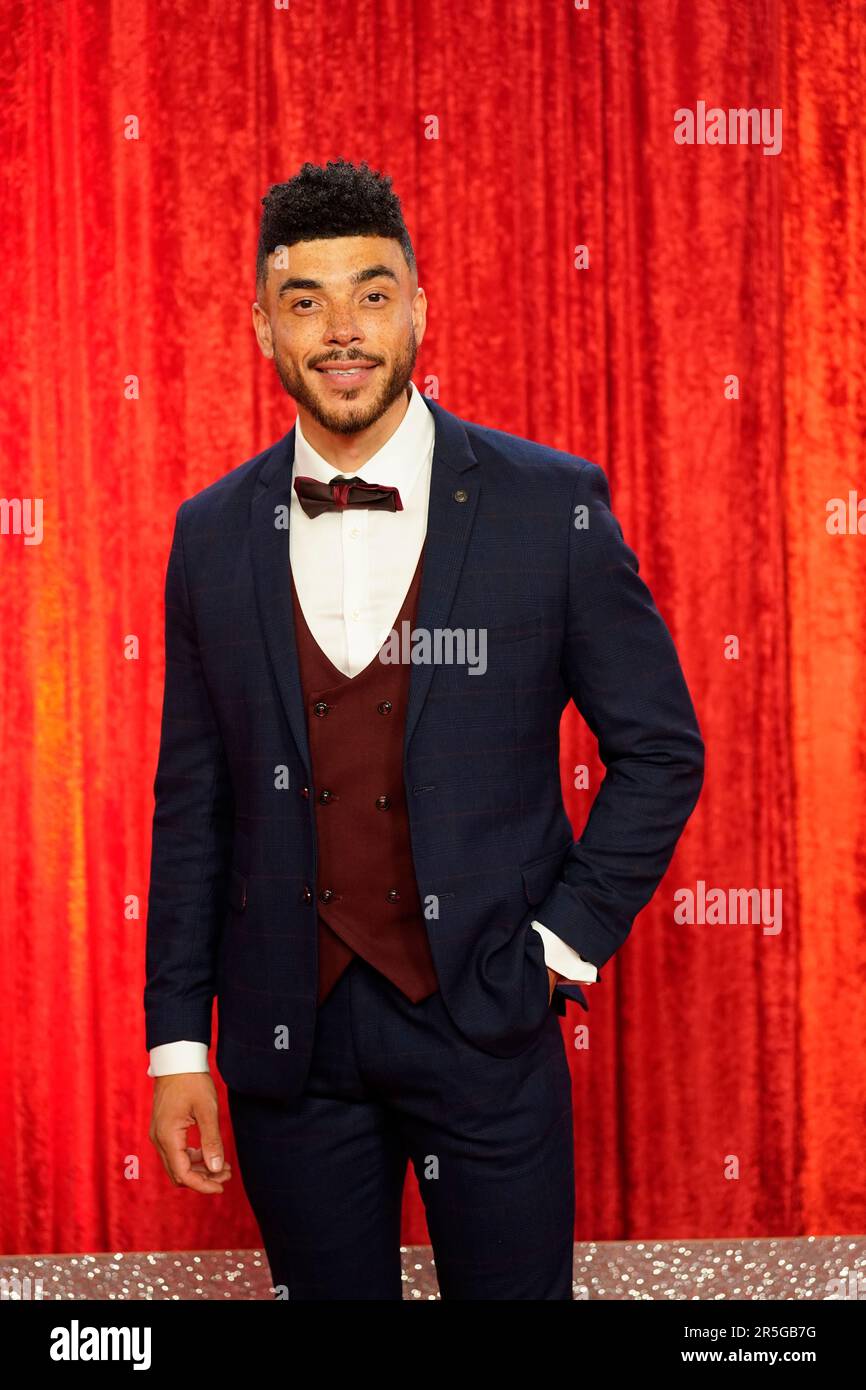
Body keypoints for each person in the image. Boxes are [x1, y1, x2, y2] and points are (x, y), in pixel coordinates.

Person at [145, 158, 705, 1300]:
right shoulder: (207, 535)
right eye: (304, 300)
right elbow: (191, 800)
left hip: (485, 1031)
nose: (340, 329)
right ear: (261, 325)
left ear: (418, 308)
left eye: (371, 292)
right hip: (286, 1050)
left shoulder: (549, 507)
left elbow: (659, 748)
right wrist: (177, 1043)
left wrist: (552, 951)